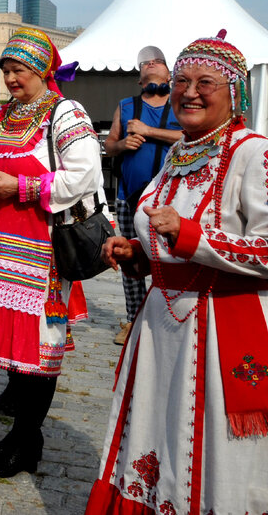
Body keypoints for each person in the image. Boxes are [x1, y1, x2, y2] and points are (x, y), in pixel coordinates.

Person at [86, 32, 268, 515]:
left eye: (205, 81)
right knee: (159, 440)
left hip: (218, 330)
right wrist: (138, 255)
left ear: (234, 94)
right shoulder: (177, 154)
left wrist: (191, 237)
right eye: (182, 79)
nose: (189, 91)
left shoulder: (252, 152)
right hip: (161, 330)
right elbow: (163, 244)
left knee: (210, 451)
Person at [0, 27, 100, 478]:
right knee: (18, 347)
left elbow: (86, 174)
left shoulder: (65, 113)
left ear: (41, 70)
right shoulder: (1, 116)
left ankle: (28, 444)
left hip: (42, 254)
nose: (13, 78)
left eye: (20, 70)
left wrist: (25, 186)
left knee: (39, 347)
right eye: (7, 71)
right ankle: (19, 435)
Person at [102, 45, 183, 346]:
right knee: (128, 258)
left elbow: (189, 137)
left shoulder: (180, 104)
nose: (151, 66)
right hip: (129, 196)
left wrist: (149, 131)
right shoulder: (126, 106)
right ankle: (134, 318)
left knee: (170, 256)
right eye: (145, 64)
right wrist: (123, 144)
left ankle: (170, 319)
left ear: (169, 73)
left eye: (157, 62)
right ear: (139, 79)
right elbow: (109, 145)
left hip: (172, 197)